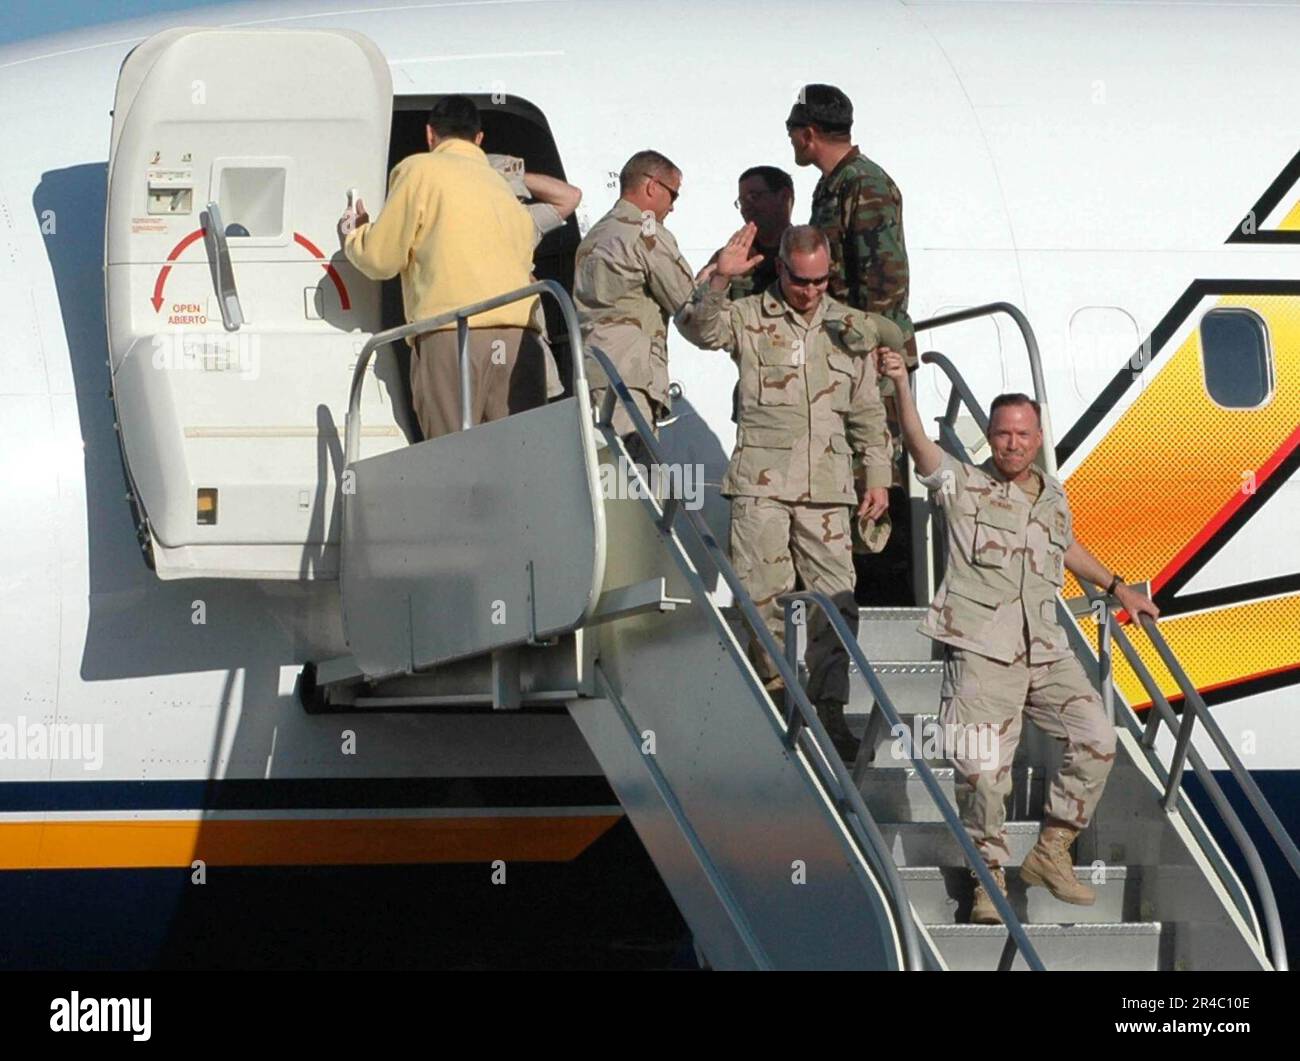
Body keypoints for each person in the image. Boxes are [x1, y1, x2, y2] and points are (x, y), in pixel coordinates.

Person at [878, 347, 1160, 925]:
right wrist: (903, 388)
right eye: (1003, 433)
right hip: (982, 651)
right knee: (984, 777)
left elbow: (1066, 547)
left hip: (1045, 649)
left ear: (1037, 438)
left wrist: (1118, 587)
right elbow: (919, 447)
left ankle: (1052, 851)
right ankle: (988, 881)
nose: (1013, 443)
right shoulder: (962, 485)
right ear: (990, 436)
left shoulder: (1053, 494)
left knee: (1098, 738)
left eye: (1023, 434)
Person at [677, 223, 903, 760]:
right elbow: (697, 329)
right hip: (763, 485)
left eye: (822, 281)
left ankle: (828, 708)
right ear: (781, 270)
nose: (812, 292)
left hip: (827, 489)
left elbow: (869, 409)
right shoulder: (750, 316)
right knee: (762, 596)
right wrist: (717, 281)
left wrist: (878, 475)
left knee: (836, 606)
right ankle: (780, 695)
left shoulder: (849, 327)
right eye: (802, 282)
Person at [340, 96, 543, 440]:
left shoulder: (418, 170)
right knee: (517, 460)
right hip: (520, 339)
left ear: (430, 134)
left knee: (453, 457)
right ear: (479, 139)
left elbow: (381, 259)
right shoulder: (503, 188)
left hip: (453, 334)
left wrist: (354, 234)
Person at [574, 150, 695, 454]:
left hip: (594, 373)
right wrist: (721, 276)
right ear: (652, 186)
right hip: (630, 378)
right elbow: (689, 304)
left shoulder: (596, 235)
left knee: (606, 476)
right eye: (673, 195)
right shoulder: (646, 232)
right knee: (635, 484)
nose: (673, 207)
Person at [788, 83, 914, 360]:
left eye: (791, 131)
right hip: (845, 344)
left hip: (869, 354)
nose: (790, 140)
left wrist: (872, 356)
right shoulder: (833, 183)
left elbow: (884, 282)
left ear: (808, 134)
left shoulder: (865, 184)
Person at [702, 166, 795, 423]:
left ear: (784, 196)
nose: (747, 207)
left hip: (810, 390)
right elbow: (698, 318)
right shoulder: (732, 258)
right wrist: (717, 276)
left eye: (755, 197)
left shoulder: (808, 251)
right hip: (755, 395)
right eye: (741, 201)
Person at [488, 153, 582, 399]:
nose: (517, 202)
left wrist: (516, 177)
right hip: (495, 339)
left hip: (528, 339)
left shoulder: (520, 220)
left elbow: (570, 197)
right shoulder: (462, 224)